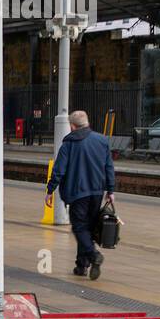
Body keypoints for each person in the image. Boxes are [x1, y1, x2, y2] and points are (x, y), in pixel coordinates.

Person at [45, 110, 116, 280]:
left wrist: (50, 190)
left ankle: (93, 255)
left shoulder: (69, 144)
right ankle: (81, 265)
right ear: (87, 122)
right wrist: (111, 190)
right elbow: (109, 167)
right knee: (88, 228)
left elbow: (59, 170)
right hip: (97, 192)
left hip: (78, 193)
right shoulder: (102, 140)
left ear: (72, 126)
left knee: (79, 227)